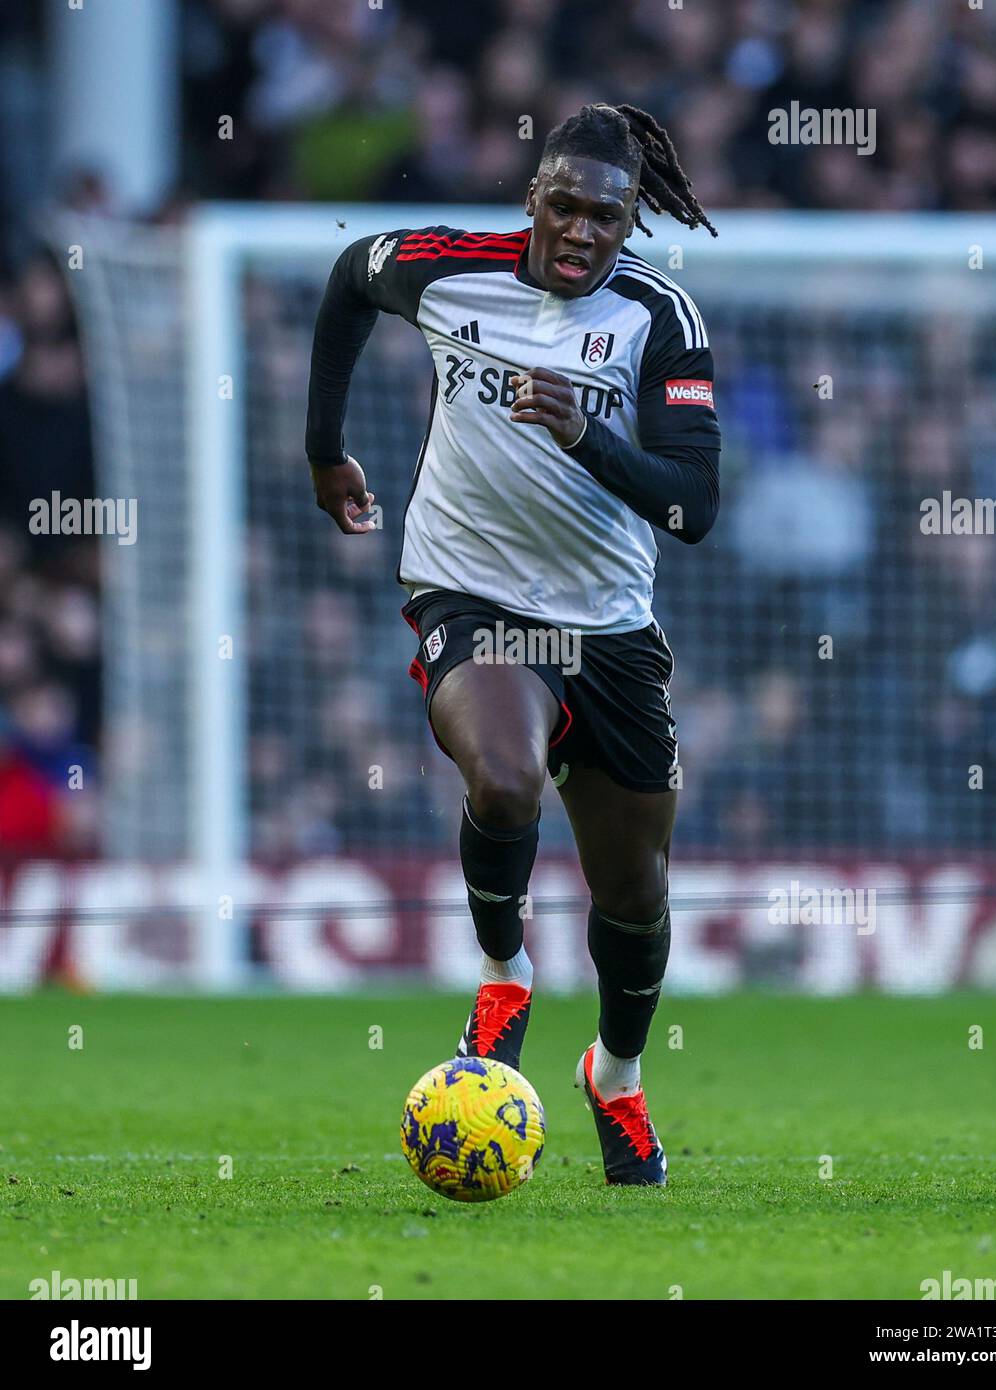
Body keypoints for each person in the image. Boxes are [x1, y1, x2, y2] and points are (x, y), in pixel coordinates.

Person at [305, 103, 720, 1185]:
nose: (581, 230)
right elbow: (353, 273)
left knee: (634, 897)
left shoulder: (658, 318)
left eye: (607, 215)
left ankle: (615, 1080)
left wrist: (587, 436)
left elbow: (694, 506)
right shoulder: (448, 269)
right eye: (564, 205)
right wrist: (325, 452)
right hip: (471, 596)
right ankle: (503, 973)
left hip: (611, 632)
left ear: (635, 221)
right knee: (502, 781)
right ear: (531, 198)